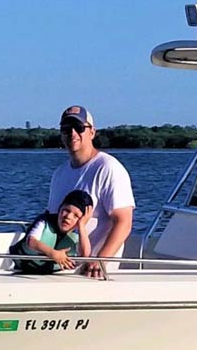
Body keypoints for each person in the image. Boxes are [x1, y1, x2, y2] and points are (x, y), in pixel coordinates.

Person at [48, 105, 135, 279]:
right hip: (64, 269)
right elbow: (51, 220)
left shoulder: (109, 168)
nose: (72, 133)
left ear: (92, 132)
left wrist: (100, 261)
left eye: (79, 128)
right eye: (66, 129)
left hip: (95, 273)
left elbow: (124, 222)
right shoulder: (59, 173)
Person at [11, 190, 94, 274]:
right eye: (66, 210)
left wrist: (81, 225)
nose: (68, 216)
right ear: (59, 208)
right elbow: (31, 241)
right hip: (23, 270)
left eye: (76, 216)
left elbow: (85, 254)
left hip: (53, 275)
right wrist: (53, 254)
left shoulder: (77, 234)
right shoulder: (44, 222)